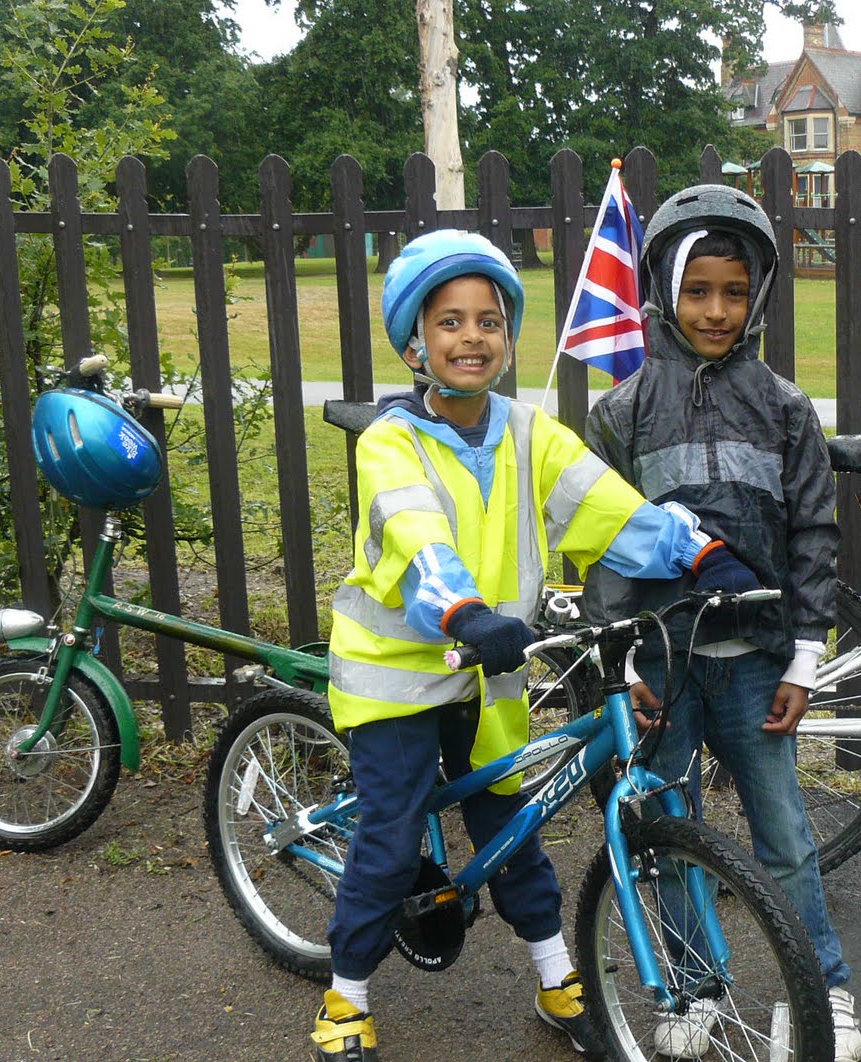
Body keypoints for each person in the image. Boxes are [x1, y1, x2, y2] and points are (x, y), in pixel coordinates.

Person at [317, 229, 759, 1062]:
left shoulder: (527, 431)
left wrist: (696, 553)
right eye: (449, 322)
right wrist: (467, 613)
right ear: (415, 341)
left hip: (490, 672)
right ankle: (347, 995)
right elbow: (417, 539)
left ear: (510, 337)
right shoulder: (390, 442)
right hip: (399, 677)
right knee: (389, 836)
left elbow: (606, 505)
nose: (472, 337)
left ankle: (558, 972)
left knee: (514, 822)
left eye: (490, 320)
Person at [583, 184, 861, 1062]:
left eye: (735, 292)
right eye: (697, 290)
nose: (716, 310)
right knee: (668, 833)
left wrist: (806, 656)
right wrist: (621, 661)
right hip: (663, 668)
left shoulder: (784, 407)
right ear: (665, 289)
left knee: (783, 835)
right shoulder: (619, 413)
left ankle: (823, 986)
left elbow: (815, 530)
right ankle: (697, 983)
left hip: (755, 664)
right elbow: (604, 543)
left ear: (761, 295)